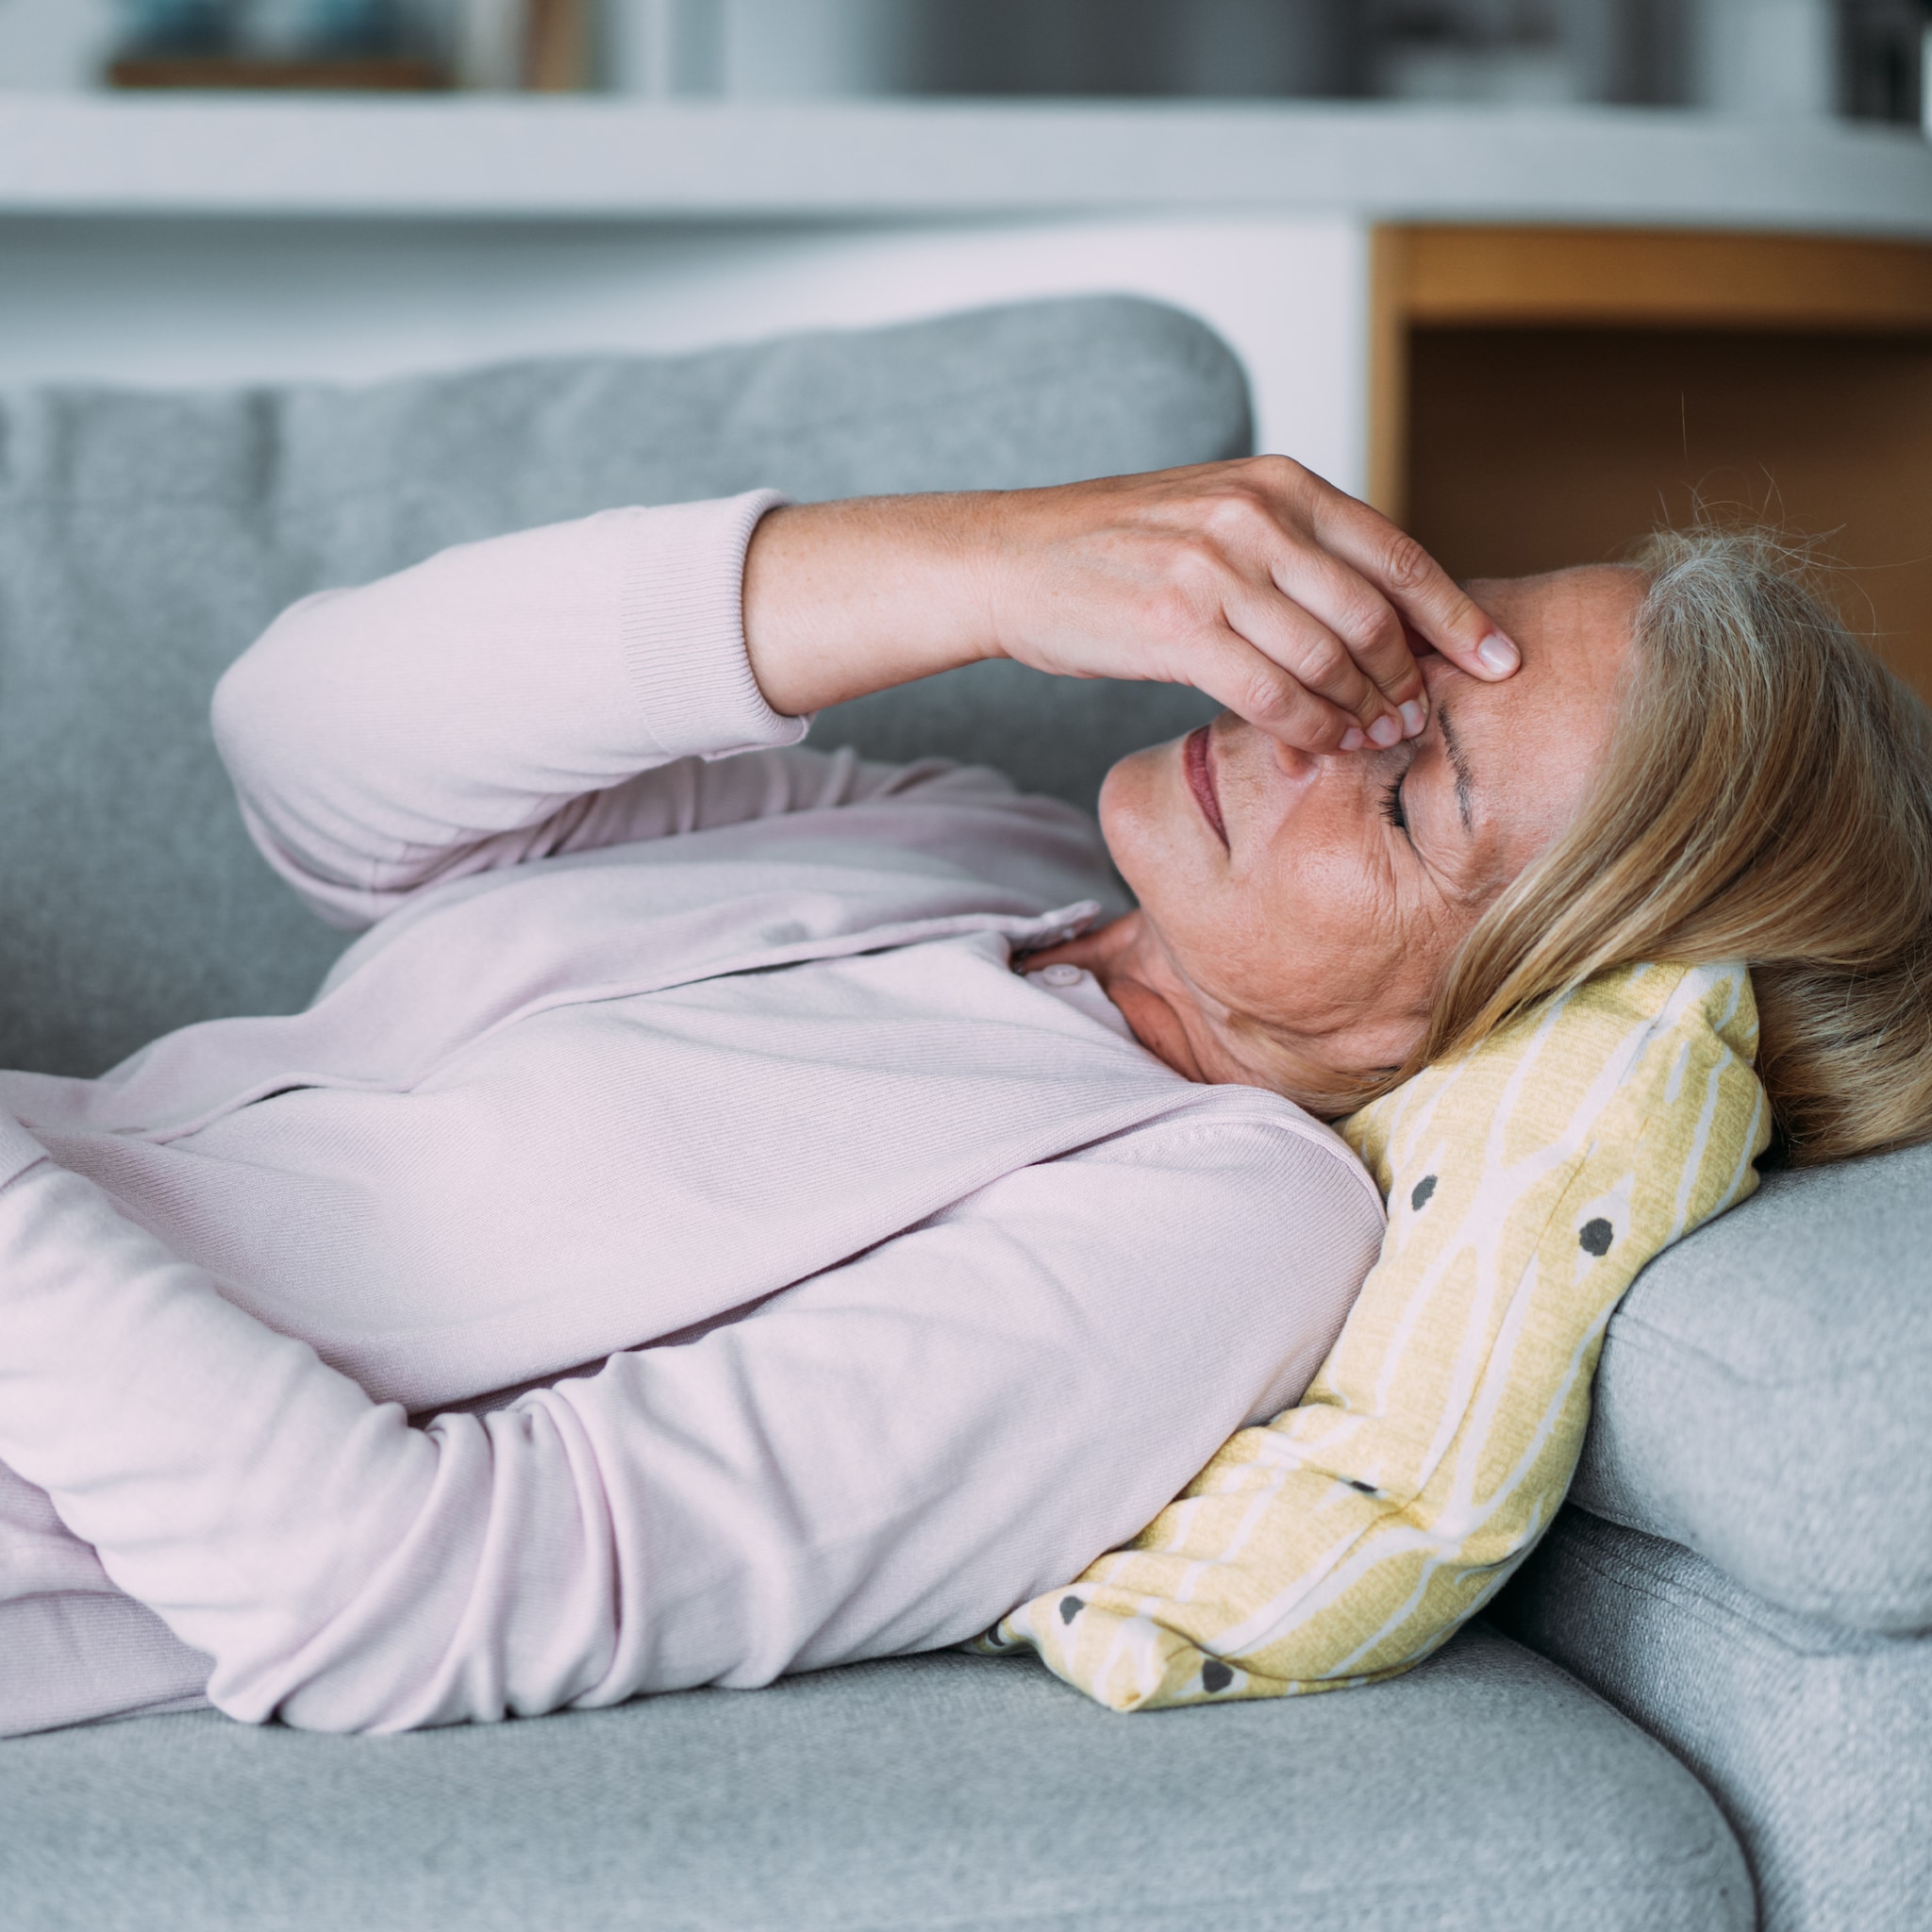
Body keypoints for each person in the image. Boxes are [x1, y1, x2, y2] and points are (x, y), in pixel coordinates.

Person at [0, 460, 1926, 1737]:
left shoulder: (1203, 1226)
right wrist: (991, 561)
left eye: (1421, 798)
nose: (1328, 720)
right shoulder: (979, 864)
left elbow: (403, 1593)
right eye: (1413, 648)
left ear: (1502, 1024)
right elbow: (307, 752)